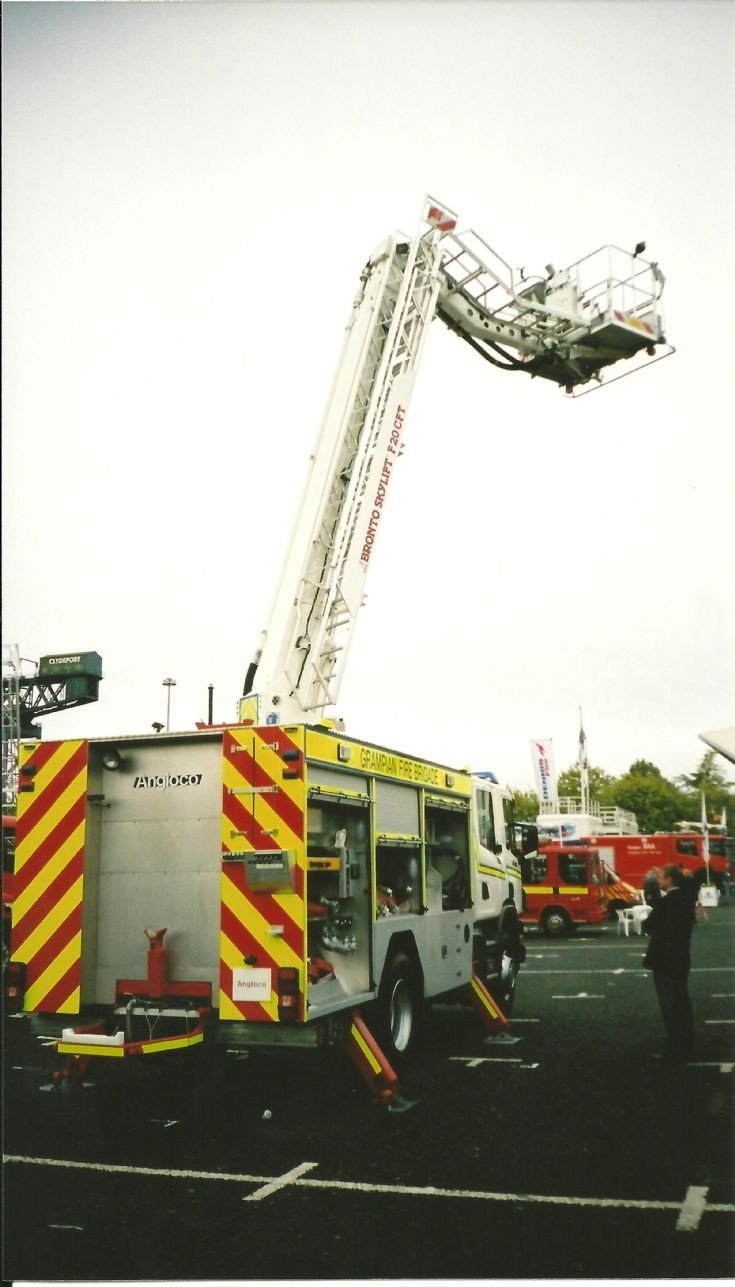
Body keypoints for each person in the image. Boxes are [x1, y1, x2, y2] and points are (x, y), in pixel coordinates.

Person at [642, 864, 695, 1062]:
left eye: (662, 877)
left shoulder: (668, 902)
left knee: (670, 1005)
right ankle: (686, 1043)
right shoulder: (685, 899)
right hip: (681, 958)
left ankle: (675, 1048)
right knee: (682, 1002)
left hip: (664, 961)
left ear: (670, 879)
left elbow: (648, 925)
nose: (659, 880)